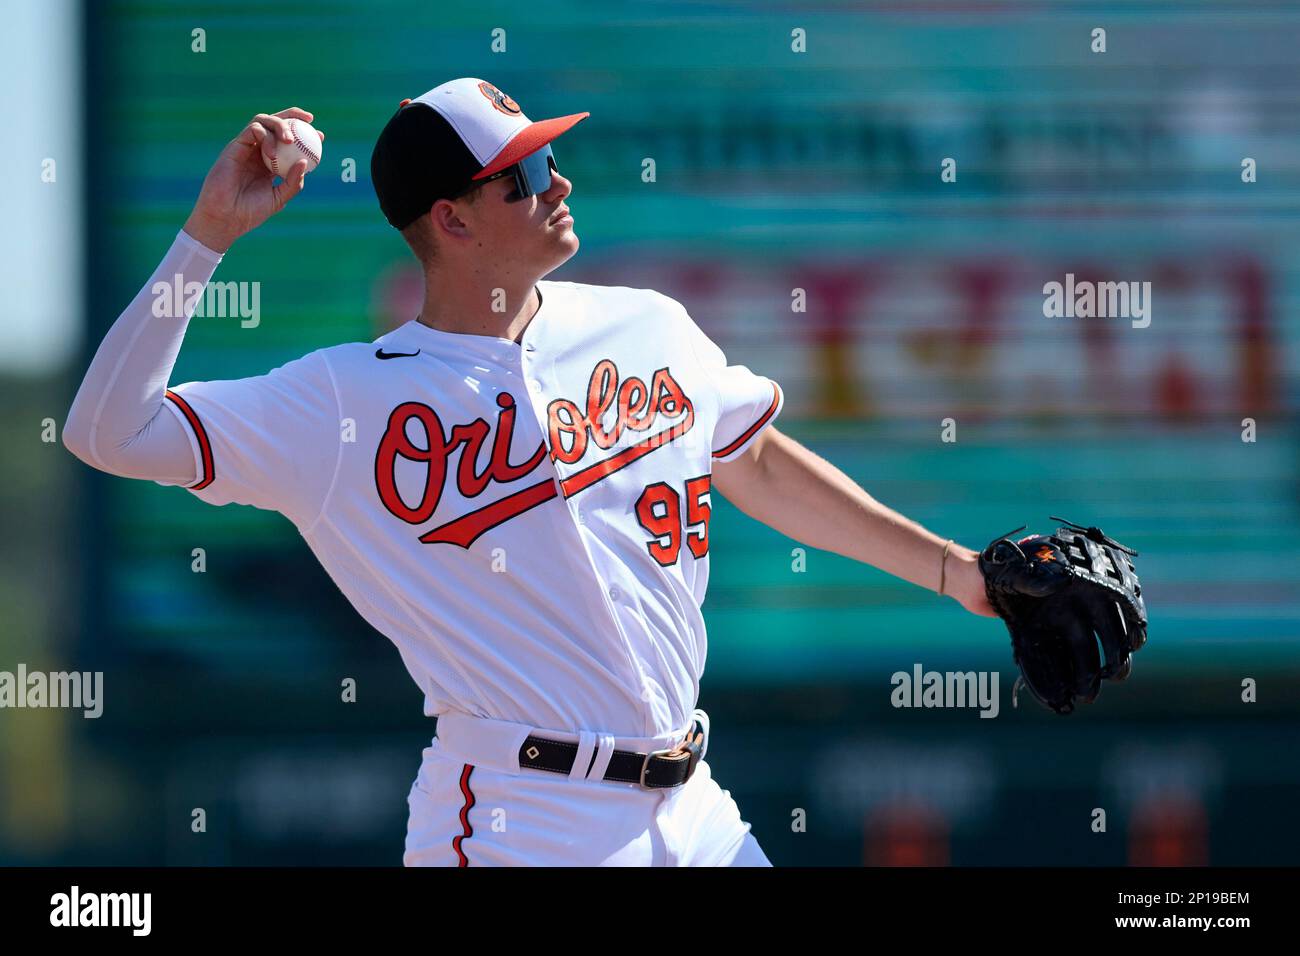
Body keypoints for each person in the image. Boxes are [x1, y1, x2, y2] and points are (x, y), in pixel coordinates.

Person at [63, 78, 996, 867]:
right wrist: (206, 239)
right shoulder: (345, 402)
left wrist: (961, 573)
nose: (561, 182)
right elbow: (109, 431)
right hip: (520, 817)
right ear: (451, 219)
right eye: (528, 173)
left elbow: (754, 461)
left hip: (697, 808)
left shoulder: (645, 327)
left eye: (550, 158)